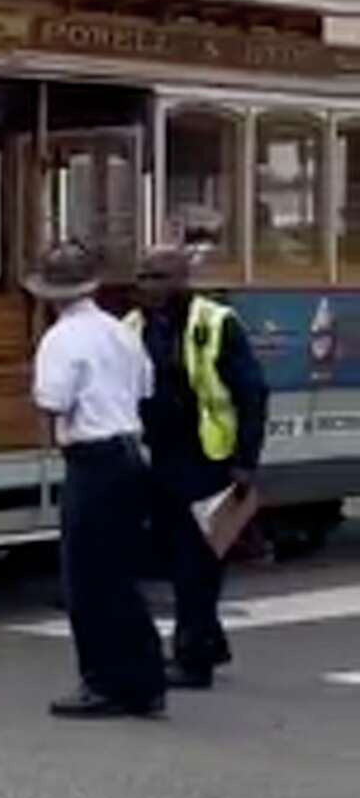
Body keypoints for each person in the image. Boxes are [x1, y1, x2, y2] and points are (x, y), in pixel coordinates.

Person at [28, 240, 165, 719]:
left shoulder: (60, 339)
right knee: (121, 576)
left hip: (92, 460)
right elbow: (145, 386)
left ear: (50, 293)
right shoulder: (120, 331)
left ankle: (103, 681)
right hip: (130, 452)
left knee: (86, 580)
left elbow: (54, 401)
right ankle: (145, 679)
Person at [127, 245, 268, 690]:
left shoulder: (215, 322)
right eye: (143, 277)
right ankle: (209, 641)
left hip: (210, 457)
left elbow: (252, 392)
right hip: (161, 457)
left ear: (183, 279)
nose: (148, 286)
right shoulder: (131, 327)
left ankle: (193, 660)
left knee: (197, 562)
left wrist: (246, 461)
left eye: (158, 277)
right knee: (174, 557)